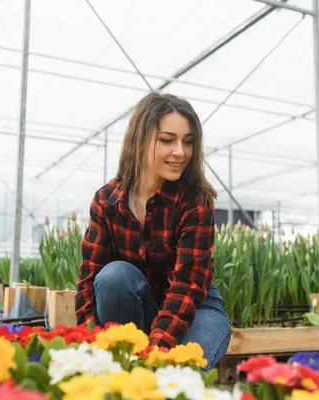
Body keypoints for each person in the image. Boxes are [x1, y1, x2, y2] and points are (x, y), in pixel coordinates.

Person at [75, 92, 231, 371]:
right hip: (135, 305)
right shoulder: (107, 201)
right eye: (167, 140)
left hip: (196, 309)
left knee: (180, 373)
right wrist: (90, 345)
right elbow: (89, 281)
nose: (180, 152)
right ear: (141, 139)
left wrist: (154, 355)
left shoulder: (195, 201)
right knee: (113, 276)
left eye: (188, 142)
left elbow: (188, 287)